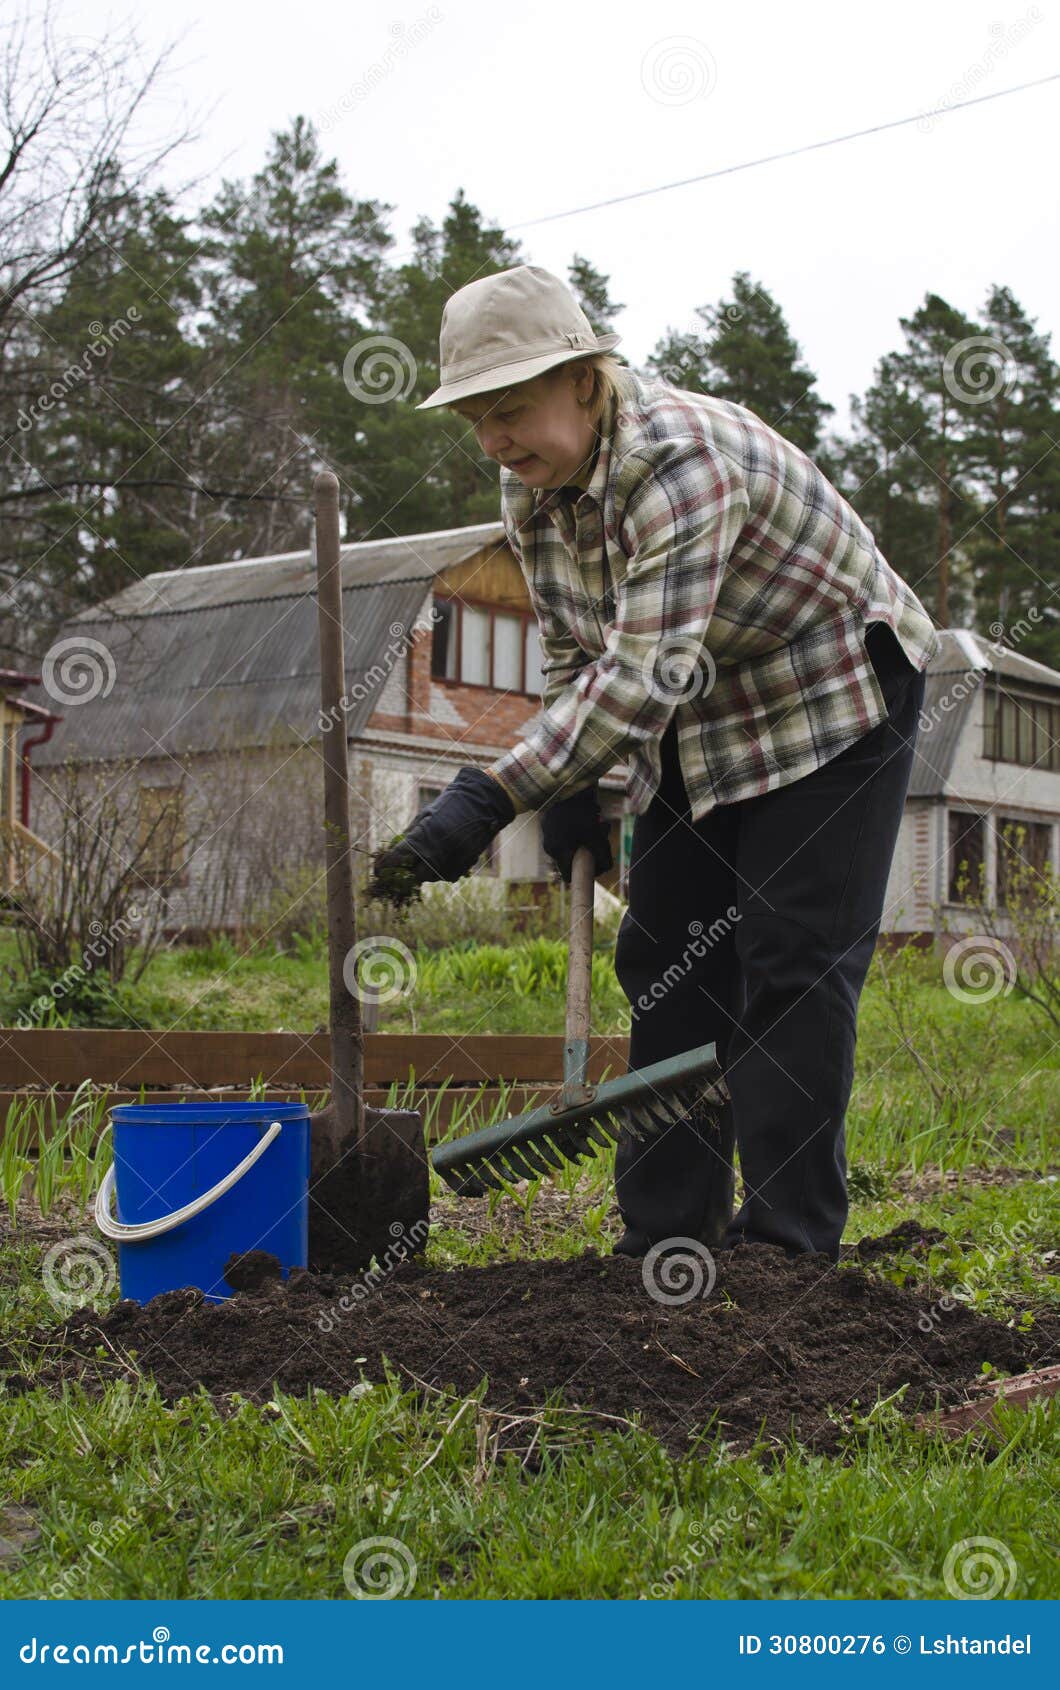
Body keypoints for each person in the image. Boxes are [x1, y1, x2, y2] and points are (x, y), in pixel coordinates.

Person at [369, 263, 940, 1265]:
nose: (496, 440)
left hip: (827, 694)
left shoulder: (678, 464)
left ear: (586, 381)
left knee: (790, 964)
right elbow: (573, 656)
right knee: (668, 965)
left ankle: (783, 1248)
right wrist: (573, 789)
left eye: (511, 410)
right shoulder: (534, 487)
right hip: (697, 712)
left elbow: (638, 676)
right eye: (476, 420)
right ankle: (664, 1237)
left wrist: (484, 797)